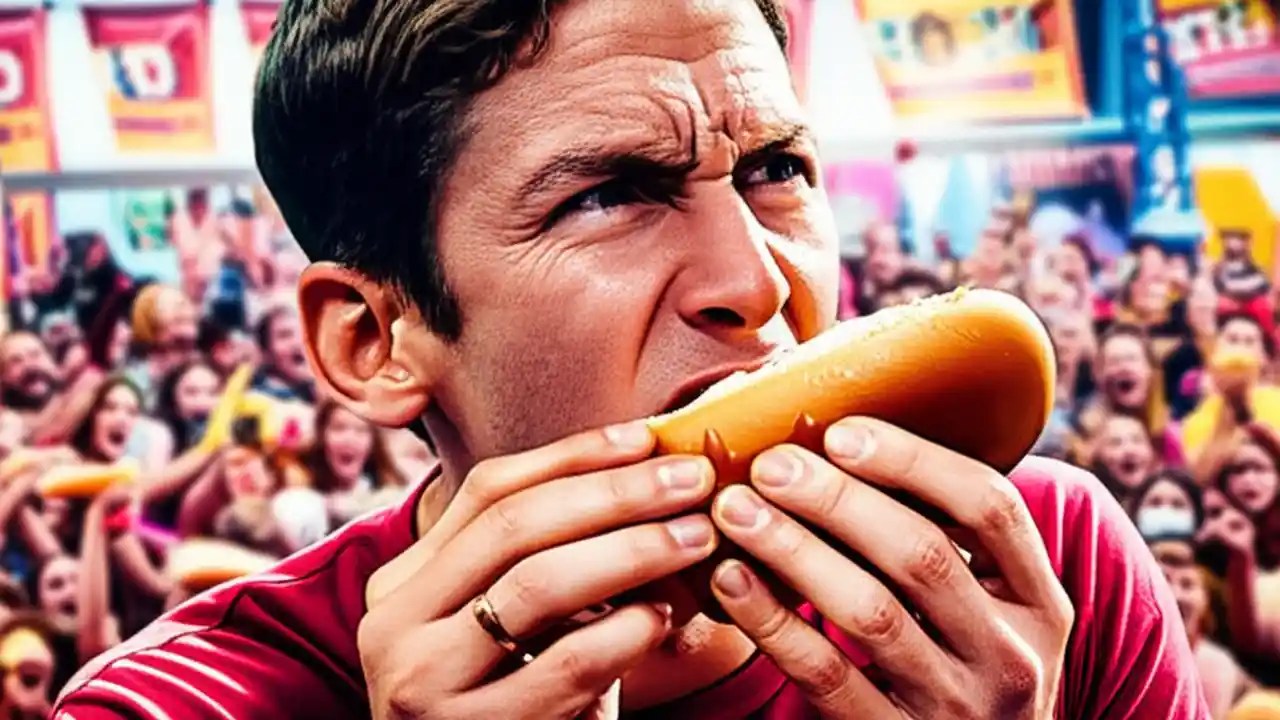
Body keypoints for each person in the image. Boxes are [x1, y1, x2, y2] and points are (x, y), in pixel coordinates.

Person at [55, 1, 1207, 718]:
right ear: (375, 343)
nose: (757, 281)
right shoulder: (183, 705)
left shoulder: (1038, 573)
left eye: (775, 169)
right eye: (610, 195)